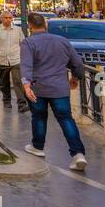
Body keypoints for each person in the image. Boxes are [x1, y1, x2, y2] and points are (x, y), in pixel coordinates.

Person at [20, 12, 89, 171]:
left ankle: (38, 146)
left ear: (30, 26)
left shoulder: (28, 43)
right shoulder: (62, 41)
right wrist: (76, 78)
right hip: (59, 87)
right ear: (45, 25)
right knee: (66, 119)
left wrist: (26, 85)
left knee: (38, 116)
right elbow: (77, 64)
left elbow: (26, 66)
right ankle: (78, 153)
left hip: (38, 87)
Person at [0, 9, 28, 112]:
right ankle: (6, 100)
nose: (8, 20)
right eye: (6, 18)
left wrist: (25, 56)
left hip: (16, 59)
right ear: (1, 19)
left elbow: (22, 43)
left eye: (10, 18)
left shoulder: (18, 30)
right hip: (1, 59)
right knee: (4, 83)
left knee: (18, 81)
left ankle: (21, 104)